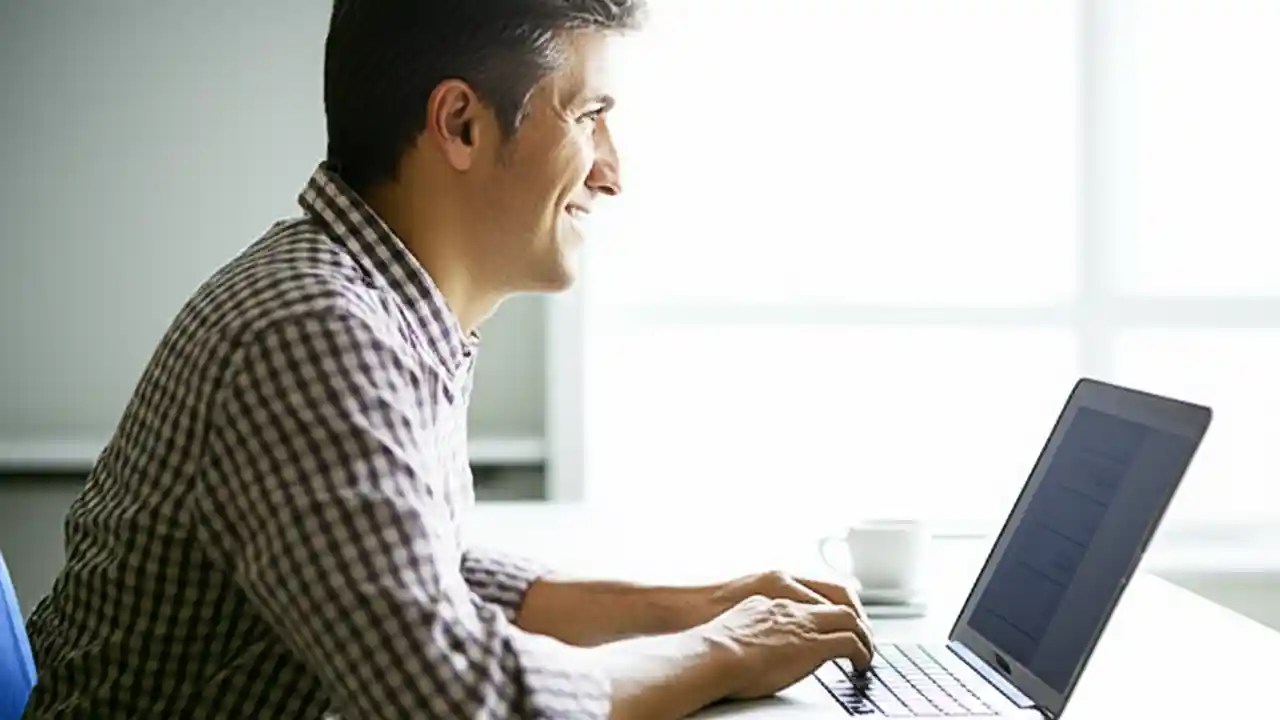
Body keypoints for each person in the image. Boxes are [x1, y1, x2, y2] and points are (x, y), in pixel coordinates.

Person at [22, 2, 874, 718]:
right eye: (588, 117)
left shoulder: (375, 306)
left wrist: (698, 607)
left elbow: (413, 579)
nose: (612, 174)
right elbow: (448, 698)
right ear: (460, 124)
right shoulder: (317, 330)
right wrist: (723, 652)